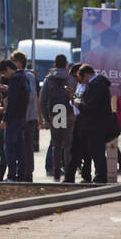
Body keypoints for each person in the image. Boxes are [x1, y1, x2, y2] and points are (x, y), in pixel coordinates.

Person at [68, 65, 114, 183]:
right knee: (95, 151)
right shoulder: (97, 84)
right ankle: (99, 176)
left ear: (87, 75)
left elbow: (91, 106)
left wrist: (78, 104)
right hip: (96, 124)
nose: (82, 82)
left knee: (97, 152)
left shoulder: (96, 86)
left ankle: (101, 177)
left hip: (95, 125)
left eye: (81, 78)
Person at [39, 54, 77, 182]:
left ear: (55, 64)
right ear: (66, 64)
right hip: (69, 113)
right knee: (68, 144)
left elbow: (42, 100)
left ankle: (56, 172)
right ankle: (68, 172)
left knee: (56, 144)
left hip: (55, 112)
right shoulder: (72, 78)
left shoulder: (49, 79)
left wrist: (46, 117)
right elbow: (76, 96)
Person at [0, 59, 29, 181]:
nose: (5, 76)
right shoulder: (23, 77)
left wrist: (5, 119)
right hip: (22, 117)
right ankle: (21, 174)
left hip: (13, 119)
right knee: (20, 148)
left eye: (4, 73)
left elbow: (12, 102)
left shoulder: (15, 79)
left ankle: (11, 175)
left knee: (9, 148)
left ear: (7, 69)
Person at [11, 51, 40, 181]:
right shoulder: (28, 76)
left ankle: (27, 173)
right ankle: (24, 172)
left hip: (26, 117)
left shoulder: (26, 76)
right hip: (27, 116)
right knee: (22, 146)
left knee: (26, 146)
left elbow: (31, 96)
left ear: (17, 62)